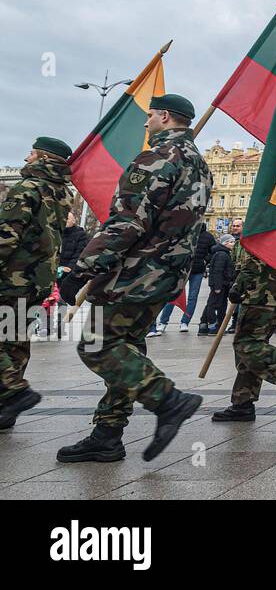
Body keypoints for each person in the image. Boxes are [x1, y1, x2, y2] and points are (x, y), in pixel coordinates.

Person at [56, 95, 212, 462]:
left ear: (165, 117)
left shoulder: (157, 158)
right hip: (168, 275)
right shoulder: (199, 164)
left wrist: (84, 268)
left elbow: (129, 220)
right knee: (126, 348)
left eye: (150, 116)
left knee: (97, 345)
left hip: (136, 274)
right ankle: (107, 434)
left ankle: (168, 400)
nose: (146, 124)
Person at [0, 137, 74, 431]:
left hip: (12, 278)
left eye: (31, 152)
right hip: (40, 279)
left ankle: (14, 390)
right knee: (16, 340)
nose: (27, 157)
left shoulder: (26, 188)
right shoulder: (61, 192)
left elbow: (7, 236)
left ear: (43, 157)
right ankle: (6, 409)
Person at [210, 239, 276, 422]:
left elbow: (259, 251)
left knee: (247, 343)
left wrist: (239, 284)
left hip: (260, 290)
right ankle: (243, 403)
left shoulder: (269, 215)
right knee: (253, 347)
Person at [153, 224, 213, 334]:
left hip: (197, 270)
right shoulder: (184, 231)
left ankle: (185, 322)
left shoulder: (208, 236)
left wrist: (205, 260)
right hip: (181, 269)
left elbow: (213, 251)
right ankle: (163, 322)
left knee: (192, 298)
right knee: (173, 295)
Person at [196, 233, 234, 336]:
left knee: (211, 304)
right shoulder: (222, 254)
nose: (233, 244)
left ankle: (203, 326)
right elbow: (217, 271)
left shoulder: (221, 253)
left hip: (221, 284)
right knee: (215, 305)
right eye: (231, 242)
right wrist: (217, 286)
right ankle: (213, 326)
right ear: (225, 243)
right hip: (220, 285)